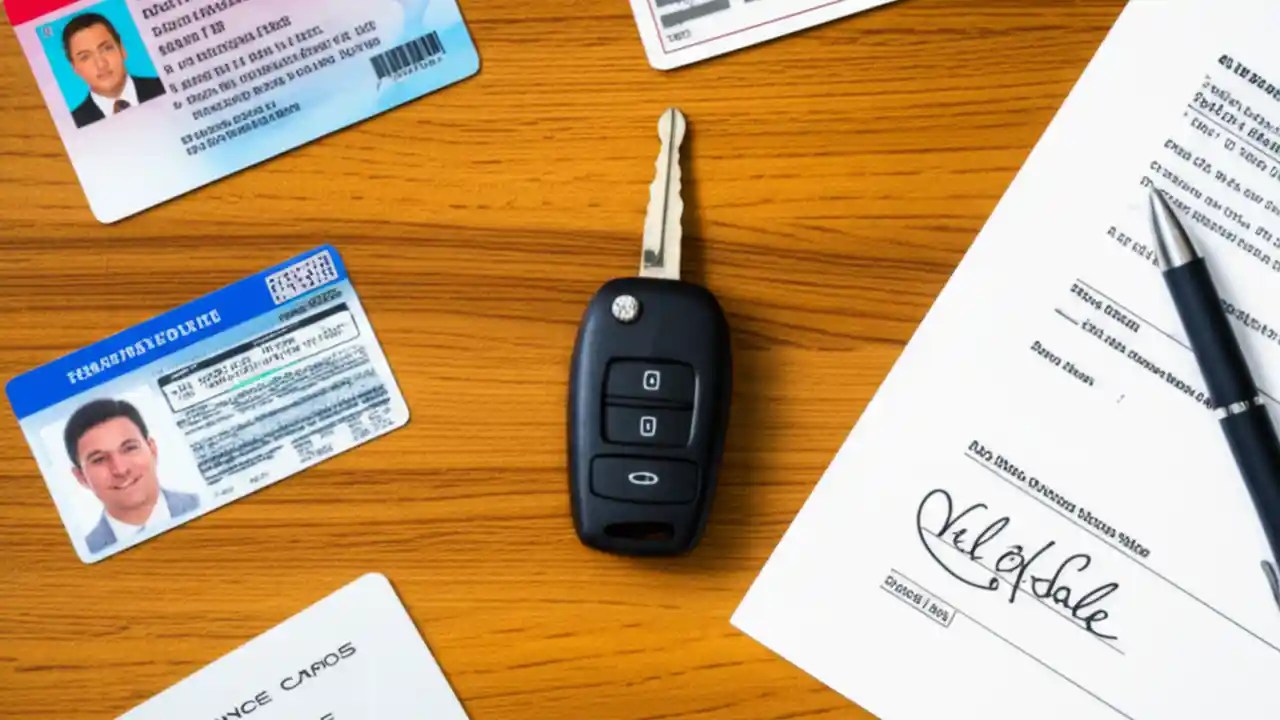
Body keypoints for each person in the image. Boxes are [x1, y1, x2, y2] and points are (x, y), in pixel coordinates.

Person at [63, 398, 199, 553]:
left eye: (129, 448)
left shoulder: (203, 503)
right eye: (99, 459)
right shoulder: (88, 551)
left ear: (152, 450)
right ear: (81, 477)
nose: (120, 470)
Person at [61, 13, 165, 128]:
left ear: (121, 49)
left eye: (107, 48)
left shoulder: (164, 86)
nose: (101, 64)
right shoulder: (74, 124)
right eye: (85, 57)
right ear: (75, 67)